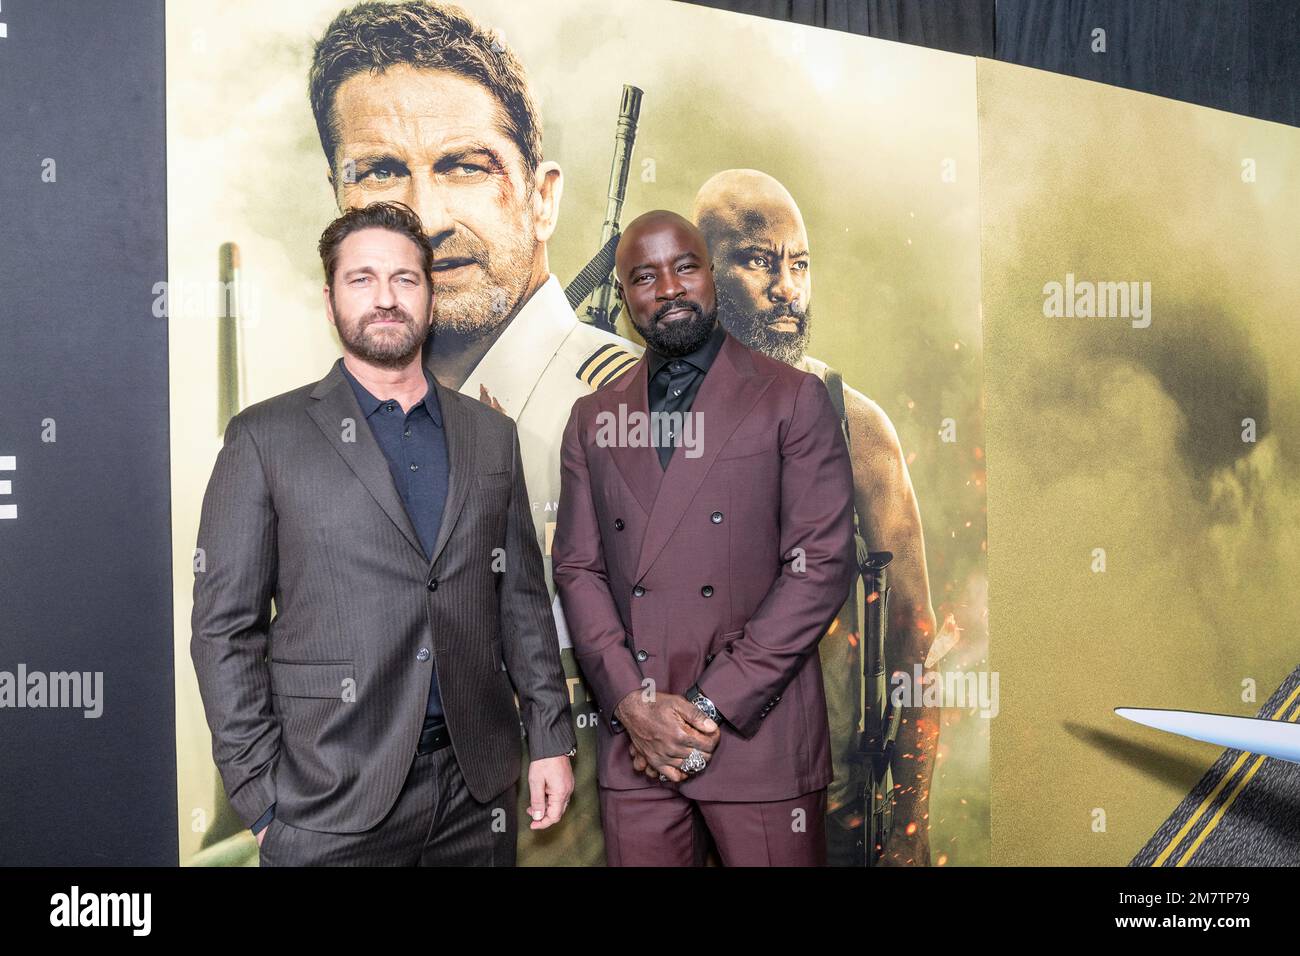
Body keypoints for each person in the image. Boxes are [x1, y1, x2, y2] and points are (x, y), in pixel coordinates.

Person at [307, 0, 642, 864]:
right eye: (379, 170)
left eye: (464, 166)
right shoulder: (322, 434)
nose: (425, 214)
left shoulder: (634, 414)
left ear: (542, 197)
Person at [191, 201, 575, 866]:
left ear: (429, 296)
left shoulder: (489, 435)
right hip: (331, 804)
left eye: (405, 279)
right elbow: (225, 631)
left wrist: (549, 737)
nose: (386, 298)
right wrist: (260, 796)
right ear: (330, 297)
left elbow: (522, 603)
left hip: (474, 793)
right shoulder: (264, 439)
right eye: (361, 279)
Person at [552, 209, 856, 866]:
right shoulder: (592, 420)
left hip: (760, 738)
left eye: (684, 267)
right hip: (638, 746)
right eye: (644, 277)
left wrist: (707, 708)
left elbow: (821, 566)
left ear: (710, 274)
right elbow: (578, 569)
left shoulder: (793, 399)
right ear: (626, 296)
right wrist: (632, 704)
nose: (668, 289)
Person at [691, 169, 938, 865]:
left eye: (799, 264)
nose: (787, 288)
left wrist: (912, 832)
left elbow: (913, 648)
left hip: (833, 820)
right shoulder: (642, 417)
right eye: (758, 261)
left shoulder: (855, 429)